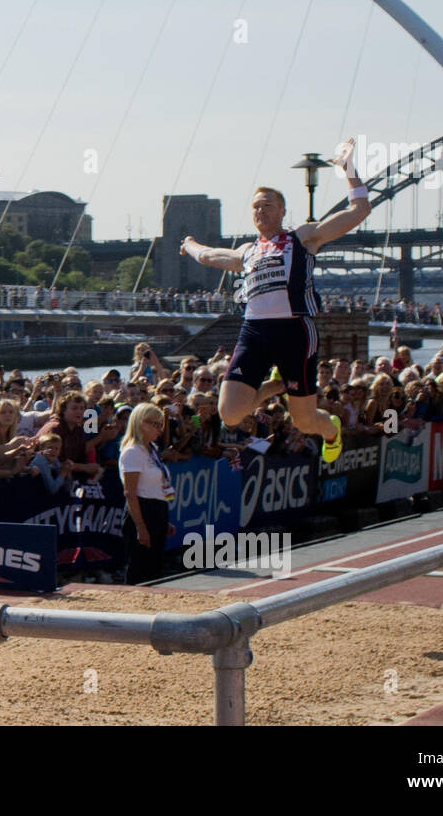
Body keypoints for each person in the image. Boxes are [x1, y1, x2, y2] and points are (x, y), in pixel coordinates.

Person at [179, 138, 371, 464]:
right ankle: (272, 387)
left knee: (304, 421)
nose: (260, 209)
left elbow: (359, 211)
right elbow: (210, 256)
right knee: (229, 415)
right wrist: (189, 243)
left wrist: (348, 167)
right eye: (255, 206)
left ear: (283, 211)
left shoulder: (303, 237)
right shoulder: (248, 252)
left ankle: (332, 430)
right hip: (254, 331)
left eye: (268, 204)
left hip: (294, 331)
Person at [118, 403, 177, 583]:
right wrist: (141, 526)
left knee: (155, 568)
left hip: (157, 509)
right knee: (140, 568)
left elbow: (157, 484)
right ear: (142, 423)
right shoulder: (132, 452)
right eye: (156, 424)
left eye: (161, 424)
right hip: (142, 509)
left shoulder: (152, 450)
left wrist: (163, 519)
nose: (160, 429)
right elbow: (130, 492)